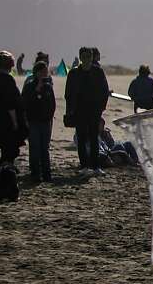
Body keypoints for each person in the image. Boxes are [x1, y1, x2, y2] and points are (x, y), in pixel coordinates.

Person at [65, 47, 110, 177]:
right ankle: (84, 166)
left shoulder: (98, 72)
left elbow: (104, 91)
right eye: (84, 57)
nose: (86, 59)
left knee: (94, 138)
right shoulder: (74, 73)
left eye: (88, 57)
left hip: (94, 112)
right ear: (80, 57)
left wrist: (101, 107)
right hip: (79, 112)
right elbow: (68, 93)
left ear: (91, 57)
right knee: (82, 139)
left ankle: (96, 167)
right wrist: (70, 110)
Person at [0, 51, 27, 190]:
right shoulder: (7, 80)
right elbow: (10, 104)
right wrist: (16, 122)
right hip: (7, 123)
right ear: (9, 64)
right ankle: (0, 180)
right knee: (10, 152)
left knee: (7, 152)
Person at [21, 60, 56, 182]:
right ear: (37, 72)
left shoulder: (48, 87)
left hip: (45, 121)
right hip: (33, 122)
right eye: (43, 71)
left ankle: (47, 173)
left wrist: (50, 117)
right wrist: (36, 90)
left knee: (44, 148)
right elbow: (25, 103)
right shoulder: (29, 86)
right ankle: (35, 172)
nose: (45, 74)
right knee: (35, 147)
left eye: (46, 71)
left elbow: (52, 104)